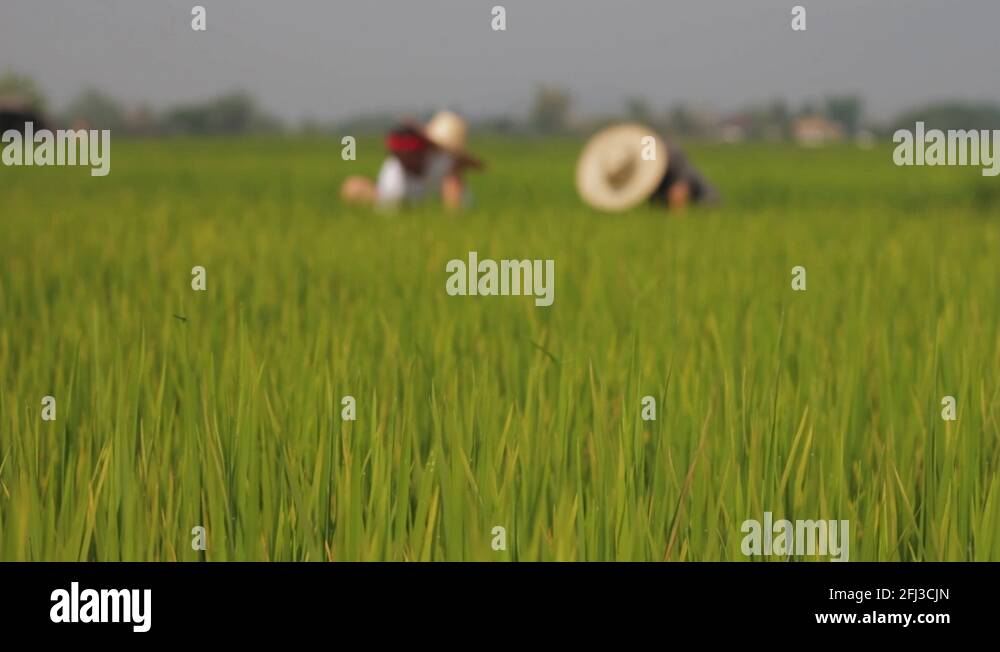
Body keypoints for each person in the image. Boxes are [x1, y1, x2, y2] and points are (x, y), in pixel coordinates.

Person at [340, 110, 483, 211]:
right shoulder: (392, 178)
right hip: (404, 206)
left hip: (440, 208)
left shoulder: (445, 166)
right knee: (353, 187)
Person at [575, 123, 719, 212]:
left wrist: (675, 230)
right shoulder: (646, 156)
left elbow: (678, 195)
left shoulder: (670, 155)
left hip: (702, 206)